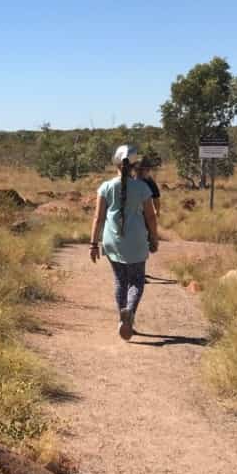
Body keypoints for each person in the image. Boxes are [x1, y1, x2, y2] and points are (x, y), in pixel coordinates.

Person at [90, 144, 160, 340]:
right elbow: (151, 217)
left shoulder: (105, 187)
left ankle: (122, 319)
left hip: (112, 240)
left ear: (116, 164)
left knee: (120, 280)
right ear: (134, 165)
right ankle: (129, 311)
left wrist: (93, 244)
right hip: (136, 240)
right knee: (137, 281)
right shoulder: (143, 188)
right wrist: (154, 238)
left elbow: (98, 218)